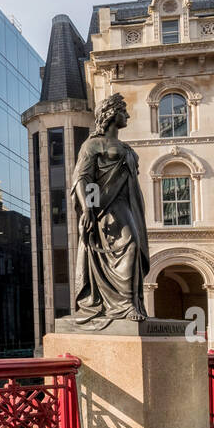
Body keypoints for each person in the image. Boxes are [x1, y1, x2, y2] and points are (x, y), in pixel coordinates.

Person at [71, 92, 150, 327]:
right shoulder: (92, 144)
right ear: (111, 114)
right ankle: (126, 305)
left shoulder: (125, 146)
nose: (126, 115)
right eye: (123, 111)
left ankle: (131, 302)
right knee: (131, 245)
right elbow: (82, 178)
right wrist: (88, 209)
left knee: (135, 247)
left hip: (129, 204)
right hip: (107, 206)